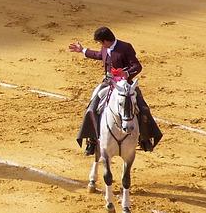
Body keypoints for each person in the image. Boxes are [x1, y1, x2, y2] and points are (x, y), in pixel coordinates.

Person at [69, 26, 162, 155]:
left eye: (100, 42)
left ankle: (145, 138)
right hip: (108, 83)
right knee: (92, 108)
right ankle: (92, 141)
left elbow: (137, 66)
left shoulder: (125, 47)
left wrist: (126, 73)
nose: (100, 45)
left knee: (142, 108)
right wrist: (82, 50)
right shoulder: (105, 47)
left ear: (106, 41)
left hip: (125, 84)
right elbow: (98, 55)